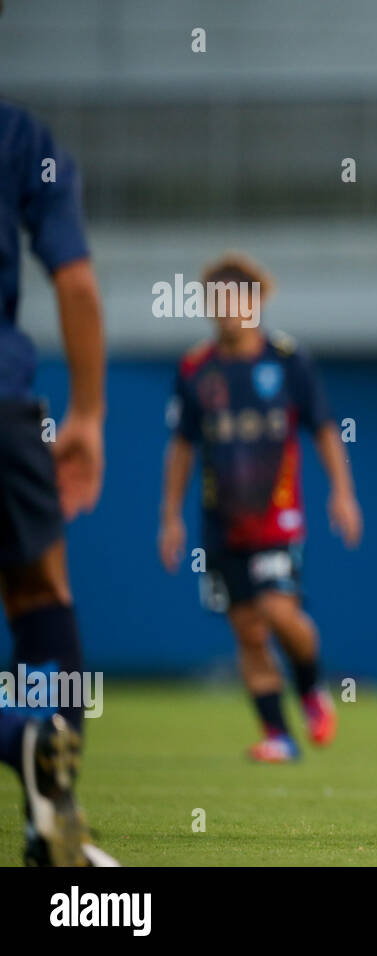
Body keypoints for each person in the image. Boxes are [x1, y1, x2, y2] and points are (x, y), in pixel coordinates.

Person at [158, 253, 363, 763]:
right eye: (217, 301)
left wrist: (342, 491)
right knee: (248, 631)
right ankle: (278, 735)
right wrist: (169, 516)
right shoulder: (195, 369)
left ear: (257, 303)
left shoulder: (288, 360)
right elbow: (182, 446)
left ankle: (312, 688)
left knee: (278, 611)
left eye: (238, 300)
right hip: (221, 523)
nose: (228, 311)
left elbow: (322, 428)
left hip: (278, 517)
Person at [0, 100, 116, 865]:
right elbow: (75, 282)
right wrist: (88, 413)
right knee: (40, 591)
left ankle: (21, 733)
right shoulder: (20, 135)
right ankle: (56, 807)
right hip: (7, 401)